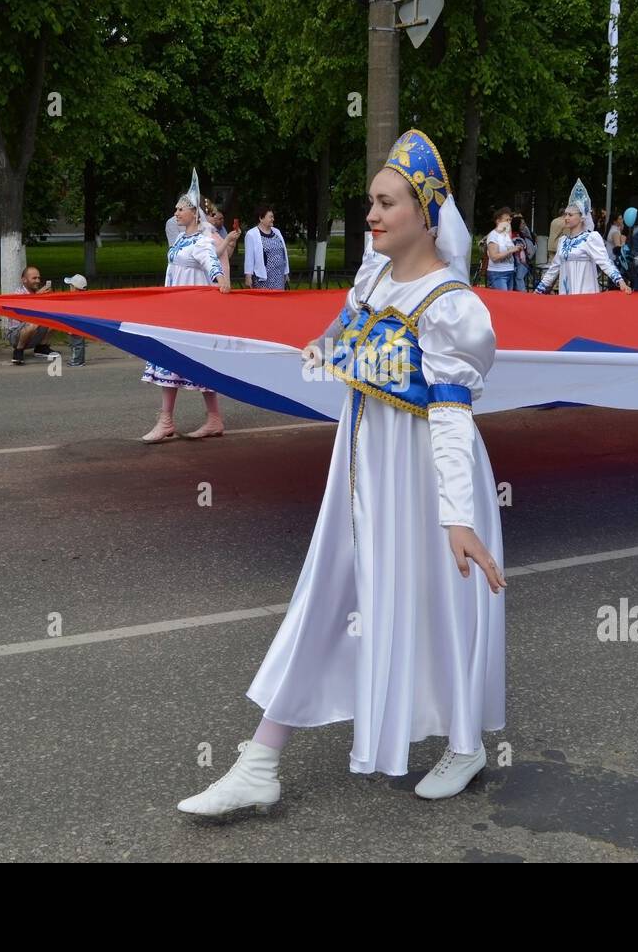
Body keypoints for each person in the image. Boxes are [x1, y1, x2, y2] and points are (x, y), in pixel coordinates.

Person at [177, 129, 504, 817]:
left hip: (421, 480)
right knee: (329, 594)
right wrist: (307, 350)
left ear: (424, 211)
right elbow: (336, 340)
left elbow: (449, 416)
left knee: (439, 604)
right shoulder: (375, 276)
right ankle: (260, 760)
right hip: (360, 467)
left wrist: (458, 513)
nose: (372, 215)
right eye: (370, 204)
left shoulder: (452, 308)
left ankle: (466, 744)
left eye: (386, 203)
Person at [140, 174, 232, 441]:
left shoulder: (202, 240)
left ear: (194, 213)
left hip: (191, 313)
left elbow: (211, 261)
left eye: (181, 209)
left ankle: (202, 420)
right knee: (174, 361)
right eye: (177, 208)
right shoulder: (181, 239)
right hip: (175, 310)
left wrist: (220, 280)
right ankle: (173, 420)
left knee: (190, 364)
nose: (176, 212)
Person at [536, 205, 630, 296]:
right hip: (566, 291)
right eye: (566, 214)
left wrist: (620, 281)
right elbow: (554, 268)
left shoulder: (591, 238)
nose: (566, 217)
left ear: (582, 218)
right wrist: (539, 290)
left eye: (570, 215)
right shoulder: (563, 240)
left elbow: (604, 261)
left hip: (585, 291)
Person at [7, 267, 56, 364]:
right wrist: (37, 296)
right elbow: (24, 310)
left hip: (33, 331)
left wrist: (47, 298)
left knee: (56, 320)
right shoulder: (18, 293)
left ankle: (41, 348)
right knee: (33, 323)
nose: (37, 281)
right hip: (16, 334)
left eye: (38, 278)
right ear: (24, 280)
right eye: (34, 278)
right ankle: (18, 351)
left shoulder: (37, 293)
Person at [243, 205, 290, 290]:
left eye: (273, 217)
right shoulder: (251, 234)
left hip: (279, 276)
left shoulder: (277, 232)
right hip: (263, 277)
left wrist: (286, 273)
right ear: (261, 218)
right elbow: (249, 257)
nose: (273, 219)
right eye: (270, 217)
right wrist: (248, 276)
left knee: (279, 301)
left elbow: (283, 253)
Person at [484, 209, 519, 290]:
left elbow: (508, 249)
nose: (509, 222)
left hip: (509, 271)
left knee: (508, 300)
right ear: (498, 221)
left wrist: (516, 248)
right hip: (498, 273)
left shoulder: (505, 234)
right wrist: (511, 250)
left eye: (510, 220)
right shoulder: (493, 235)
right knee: (503, 300)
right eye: (506, 220)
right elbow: (494, 257)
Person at [63, 274, 88, 365]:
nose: (69, 288)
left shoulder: (75, 301)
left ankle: (77, 361)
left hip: (75, 326)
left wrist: (70, 327)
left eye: (70, 286)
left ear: (74, 288)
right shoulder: (82, 300)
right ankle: (78, 360)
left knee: (76, 344)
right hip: (77, 325)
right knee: (77, 343)